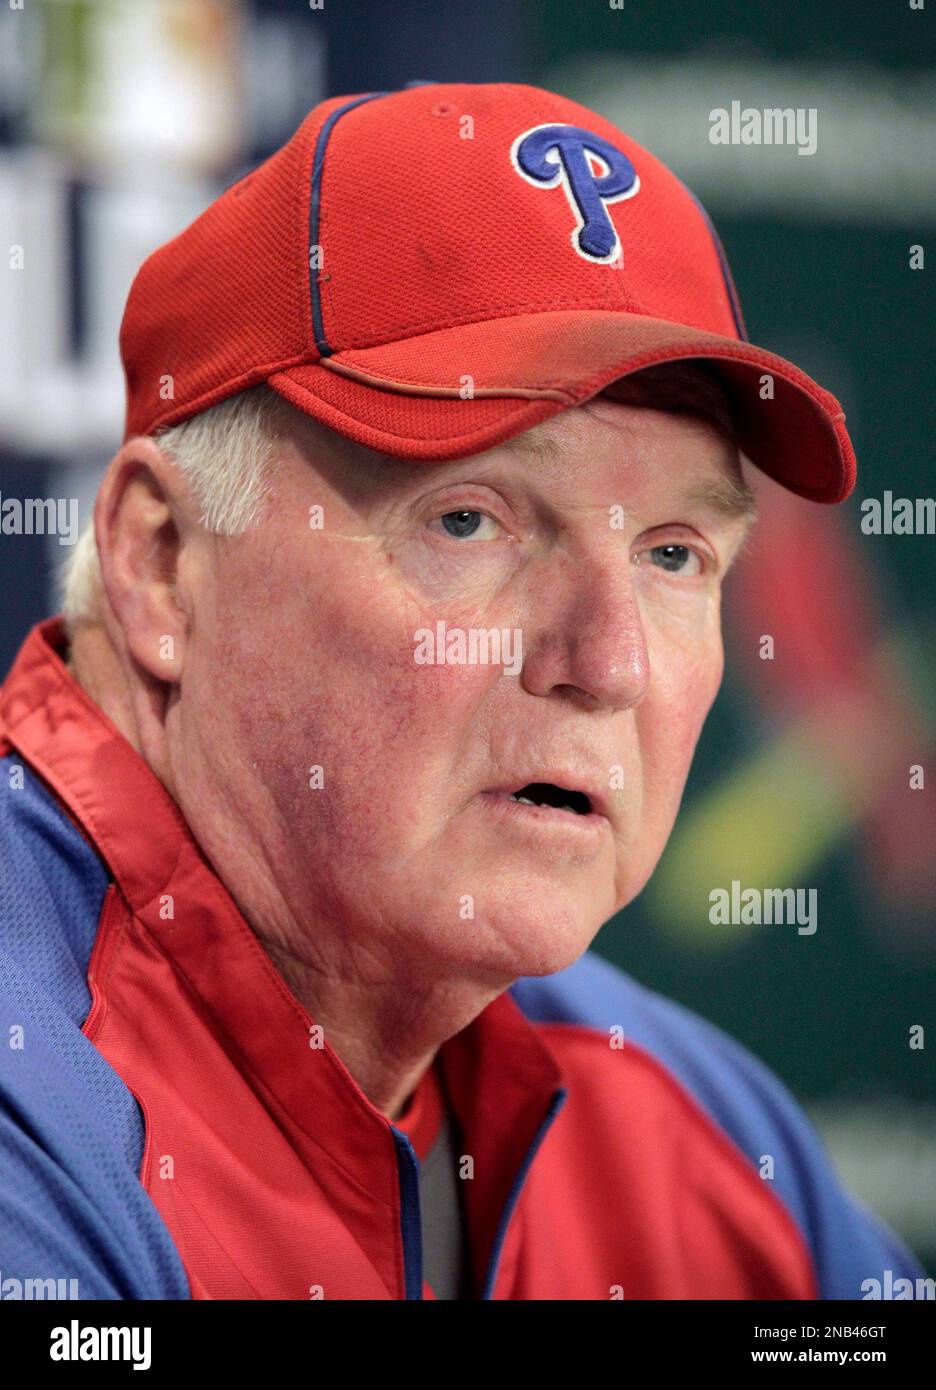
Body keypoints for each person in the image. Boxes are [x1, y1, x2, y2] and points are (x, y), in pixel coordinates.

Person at [0, 81, 922, 1300]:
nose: (609, 662)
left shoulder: (700, 1134)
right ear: (163, 566)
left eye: (671, 554)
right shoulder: (37, 1099)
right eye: (472, 519)